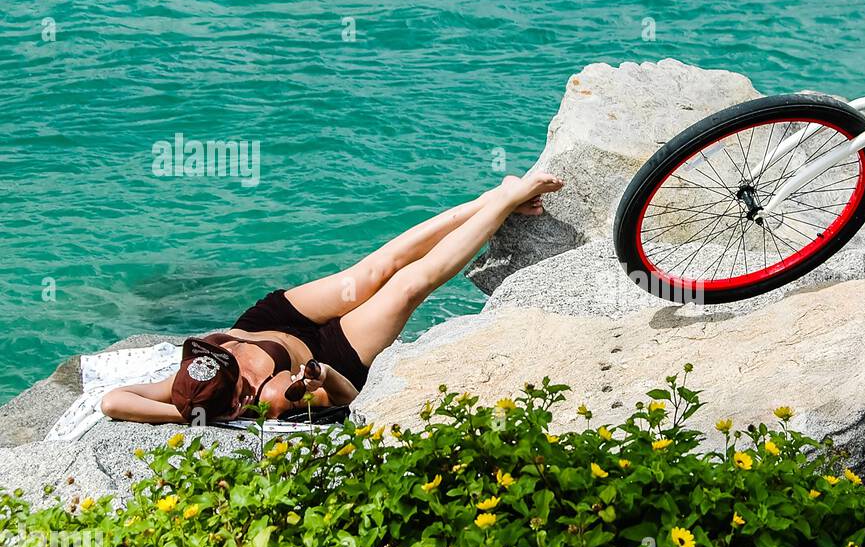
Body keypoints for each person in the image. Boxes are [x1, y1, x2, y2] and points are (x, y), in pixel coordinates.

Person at [101, 172, 564, 424]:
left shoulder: (186, 385)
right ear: (237, 401)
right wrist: (320, 379)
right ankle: (505, 204)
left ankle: (484, 200)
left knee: (374, 270)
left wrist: (182, 412)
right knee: (407, 286)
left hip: (270, 319)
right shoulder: (266, 398)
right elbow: (346, 397)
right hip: (335, 350)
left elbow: (113, 402)